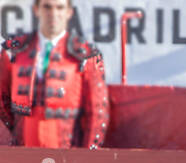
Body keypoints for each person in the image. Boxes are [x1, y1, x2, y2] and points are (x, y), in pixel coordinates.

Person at [0, 0, 108, 148]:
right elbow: (2, 98)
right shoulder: (14, 50)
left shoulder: (85, 55)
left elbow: (96, 112)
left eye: (59, 8)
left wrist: (86, 158)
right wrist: (20, 126)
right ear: (36, 10)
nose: (53, 14)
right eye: (47, 7)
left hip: (68, 152)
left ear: (69, 12)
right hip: (23, 151)